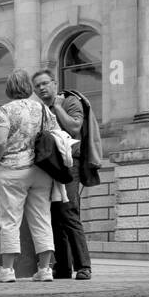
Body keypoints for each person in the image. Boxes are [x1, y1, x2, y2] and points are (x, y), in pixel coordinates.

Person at [0, 68, 62, 283]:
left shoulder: (5, 110)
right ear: (28, 87)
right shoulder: (42, 109)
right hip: (40, 171)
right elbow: (57, 135)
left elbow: (1, 142)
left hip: (12, 170)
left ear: (9, 88)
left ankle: (7, 270)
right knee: (42, 219)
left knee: (10, 220)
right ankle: (45, 269)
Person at [34, 69, 96, 280]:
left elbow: (75, 128)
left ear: (54, 83)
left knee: (68, 213)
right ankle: (62, 267)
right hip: (49, 166)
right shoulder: (40, 110)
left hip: (70, 164)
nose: (41, 88)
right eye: (37, 86)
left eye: (44, 83)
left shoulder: (69, 101)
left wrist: (57, 107)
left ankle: (83, 266)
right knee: (53, 216)